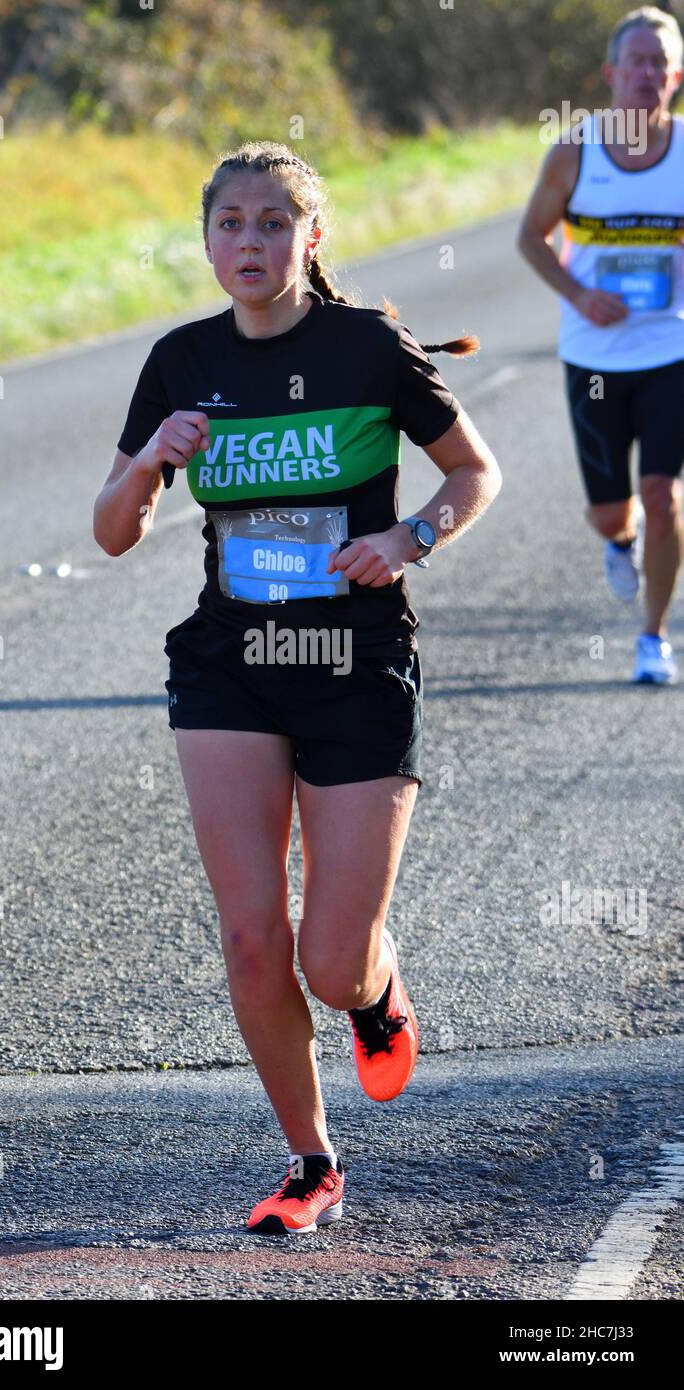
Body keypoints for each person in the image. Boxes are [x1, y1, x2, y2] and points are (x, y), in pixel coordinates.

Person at [93, 140, 501, 1236]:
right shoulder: (179, 361)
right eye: (231, 223)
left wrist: (410, 534)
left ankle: (372, 988)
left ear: (310, 239)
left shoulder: (366, 348)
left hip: (354, 666)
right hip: (231, 665)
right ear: (207, 239)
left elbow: (475, 470)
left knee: (327, 958)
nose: (251, 243)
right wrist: (146, 464)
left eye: (274, 223)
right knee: (246, 939)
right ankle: (310, 1159)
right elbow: (112, 533)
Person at [517, 5, 684, 684]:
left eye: (660, 62)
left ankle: (654, 637)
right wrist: (580, 295)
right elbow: (530, 238)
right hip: (593, 356)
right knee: (611, 509)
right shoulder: (575, 152)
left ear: (676, 76)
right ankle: (620, 541)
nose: (648, 73)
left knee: (663, 494)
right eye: (636, 61)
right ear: (613, 73)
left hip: (671, 350)